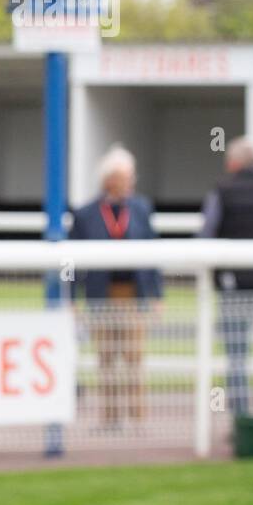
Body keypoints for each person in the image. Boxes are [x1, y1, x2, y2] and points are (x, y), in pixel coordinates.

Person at [69, 144, 161, 429]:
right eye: (125, 177)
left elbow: (152, 251)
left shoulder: (141, 209)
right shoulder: (86, 215)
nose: (130, 182)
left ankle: (138, 418)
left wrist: (157, 295)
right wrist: (72, 299)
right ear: (110, 179)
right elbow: (72, 262)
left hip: (132, 295)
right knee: (106, 358)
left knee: (134, 357)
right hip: (101, 295)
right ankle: (109, 418)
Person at [199, 136, 253, 415]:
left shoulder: (222, 192)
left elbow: (206, 234)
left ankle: (241, 420)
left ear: (235, 163)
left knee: (236, 355)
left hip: (233, 286)